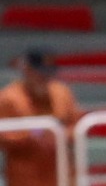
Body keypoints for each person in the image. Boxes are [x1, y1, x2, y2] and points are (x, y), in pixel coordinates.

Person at [0, 50, 83, 186]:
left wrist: (60, 135)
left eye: (49, 72)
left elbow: (77, 127)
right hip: (25, 176)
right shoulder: (9, 98)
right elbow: (3, 136)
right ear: (27, 70)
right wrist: (32, 135)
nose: (45, 77)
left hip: (61, 174)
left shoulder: (62, 93)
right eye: (39, 72)